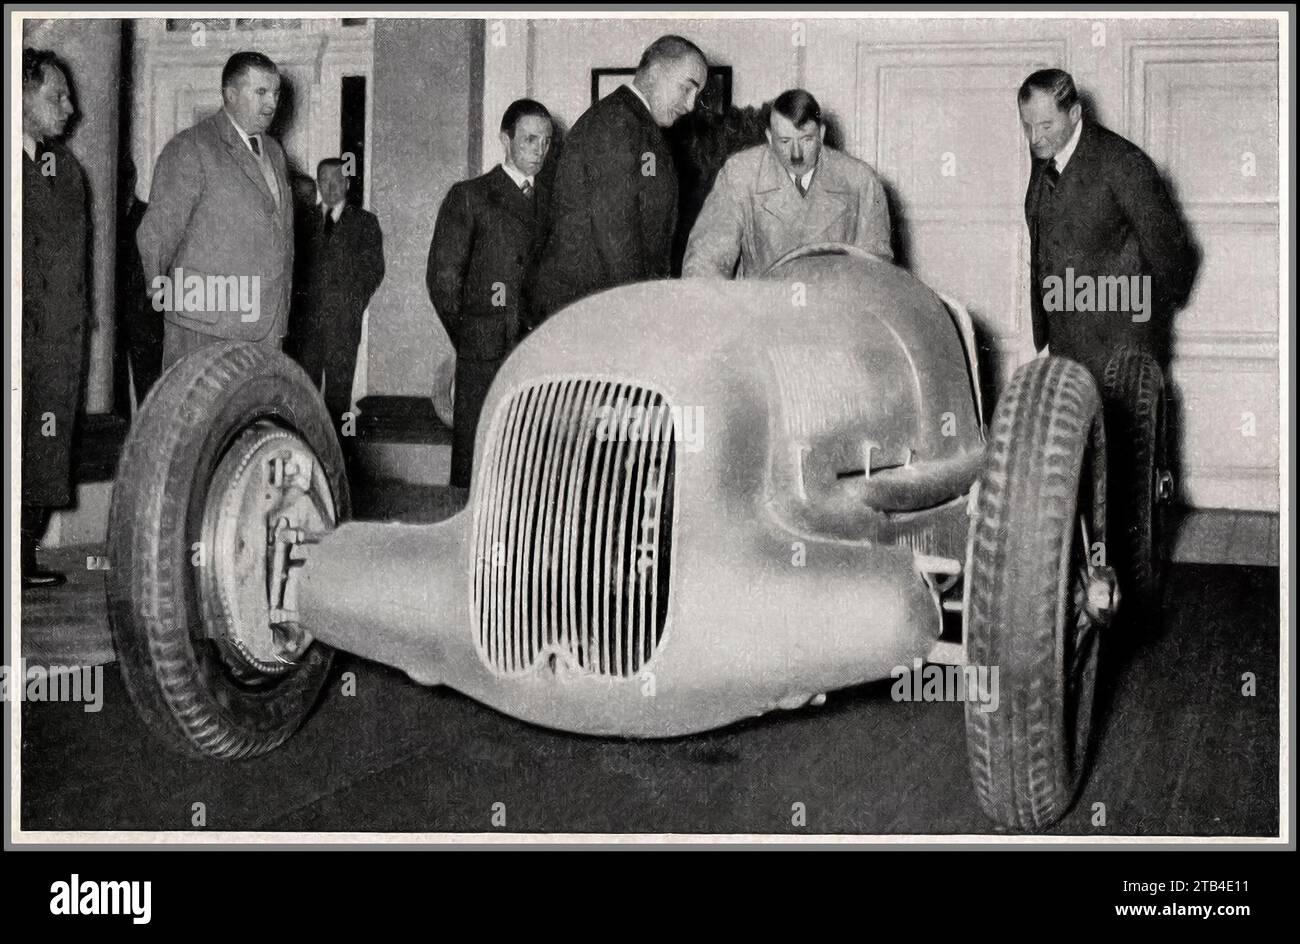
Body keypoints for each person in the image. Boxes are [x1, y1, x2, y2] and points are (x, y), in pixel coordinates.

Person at [1019, 68, 1195, 379]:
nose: (1035, 138)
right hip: (1067, 348)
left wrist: (1144, 325)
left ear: (1074, 114)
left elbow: (1172, 256)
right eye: (1028, 125)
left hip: (1123, 353)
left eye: (1046, 125)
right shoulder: (1047, 157)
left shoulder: (1124, 162)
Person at [531, 35, 707, 324]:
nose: (690, 105)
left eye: (696, 95)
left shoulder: (635, 123)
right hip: (591, 310)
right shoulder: (616, 123)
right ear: (656, 72)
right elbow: (616, 234)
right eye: (686, 88)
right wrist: (639, 316)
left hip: (604, 305)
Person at [137, 50, 294, 368]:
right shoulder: (192, 146)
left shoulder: (275, 152)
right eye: (261, 92)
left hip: (267, 323)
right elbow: (156, 233)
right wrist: (162, 295)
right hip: (204, 326)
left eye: (276, 93)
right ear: (230, 94)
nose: (271, 103)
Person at [427, 99, 554, 488]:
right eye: (530, 139)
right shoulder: (471, 195)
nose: (539, 149)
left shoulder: (553, 201)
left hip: (536, 347)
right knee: (481, 467)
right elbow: (443, 281)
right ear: (505, 139)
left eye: (546, 141)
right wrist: (472, 337)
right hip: (485, 352)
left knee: (530, 464)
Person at [683, 88, 893, 277]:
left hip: (832, 305)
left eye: (806, 140)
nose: (796, 155)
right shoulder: (740, 173)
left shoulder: (860, 180)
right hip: (764, 305)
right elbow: (706, 259)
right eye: (784, 141)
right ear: (769, 137)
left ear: (821, 134)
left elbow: (876, 272)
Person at [21, 48, 89, 589]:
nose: (69, 107)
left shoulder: (66, 169)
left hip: (57, 342)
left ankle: (21, 555)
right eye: (56, 96)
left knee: (44, 448)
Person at [290, 158, 385, 428]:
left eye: (337, 180)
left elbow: (374, 270)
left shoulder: (365, 223)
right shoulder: (302, 221)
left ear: (347, 183)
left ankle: (339, 448)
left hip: (343, 326)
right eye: (324, 180)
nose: (330, 187)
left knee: (338, 397)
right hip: (307, 329)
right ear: (318, 183)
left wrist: (351, 305)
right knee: (304, 394)